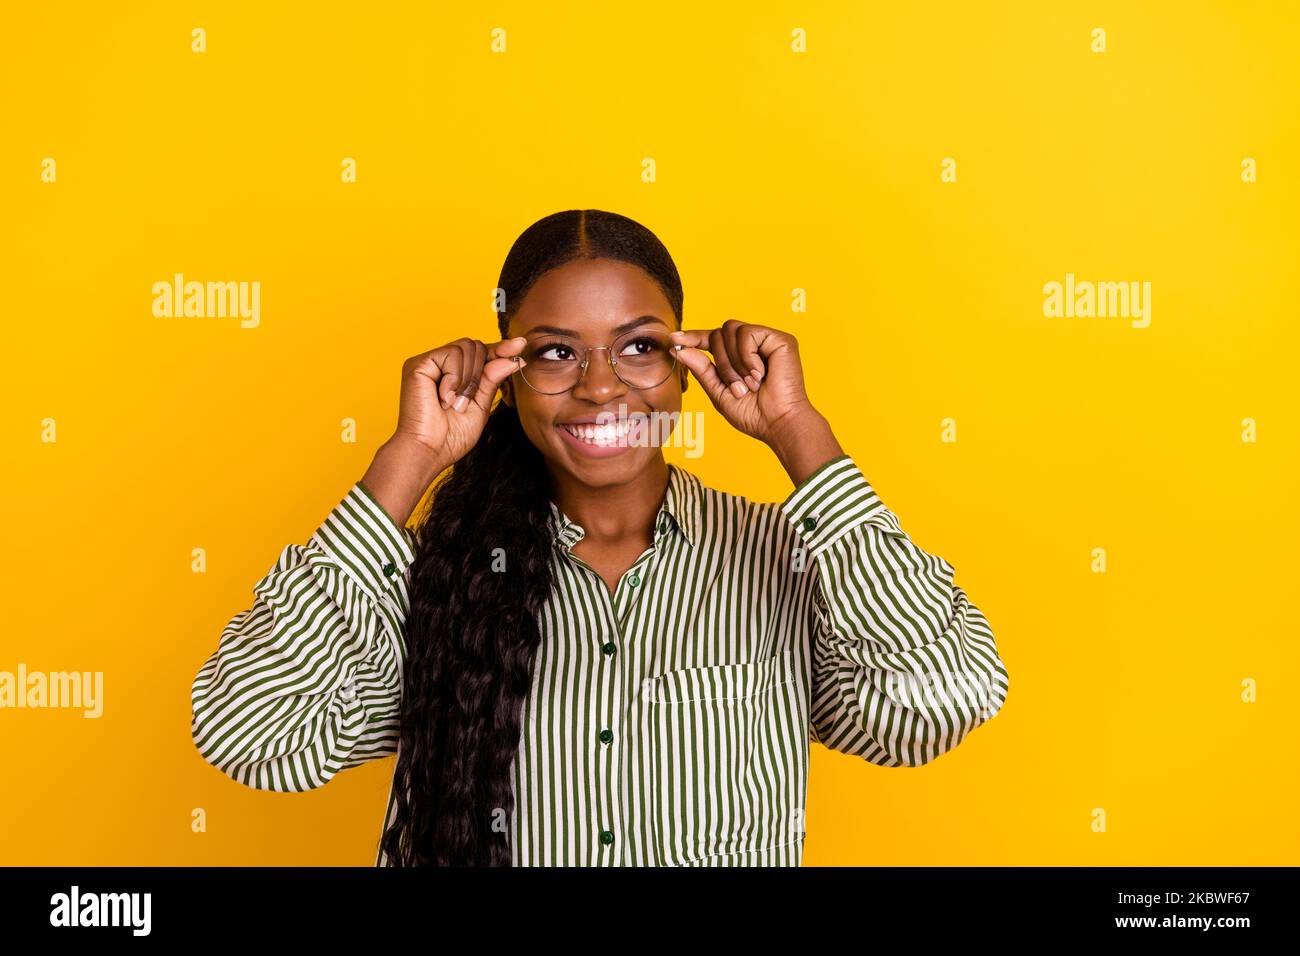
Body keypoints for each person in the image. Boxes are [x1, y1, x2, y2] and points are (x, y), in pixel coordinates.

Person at [189, 208, 1009, 867]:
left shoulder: (787, 567)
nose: (602, 386)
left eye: (640, 347)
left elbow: (936, 703)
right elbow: (254, 735)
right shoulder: (436, 584)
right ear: (507, 378)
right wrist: (408, 459)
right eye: (555, 354)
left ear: (688, 362)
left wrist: (800, 433)